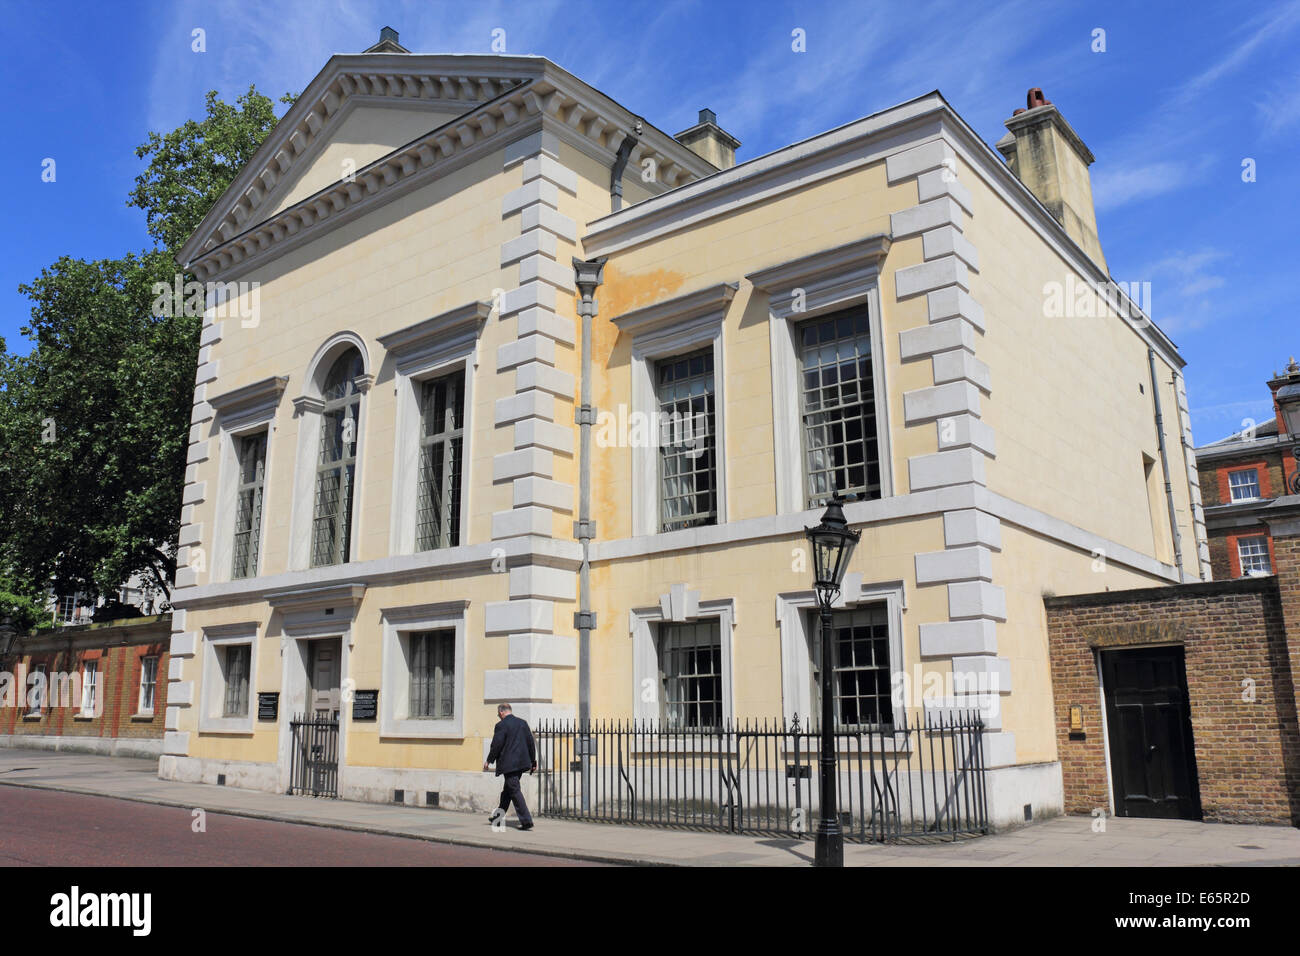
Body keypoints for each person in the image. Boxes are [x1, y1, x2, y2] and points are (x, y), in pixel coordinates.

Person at [483, 702, 536, 830]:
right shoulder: (522, 723)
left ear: (501, 712)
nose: (498, 716)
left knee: (514, 790)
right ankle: (497, 818)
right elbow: (531, 742)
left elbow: (497, 745)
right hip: (522, 763)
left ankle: (526, 820)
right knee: (507, 791)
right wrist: (533, 761)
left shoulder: (501, 725)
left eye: (498, 714)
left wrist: (489, 761)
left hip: (509, 765)